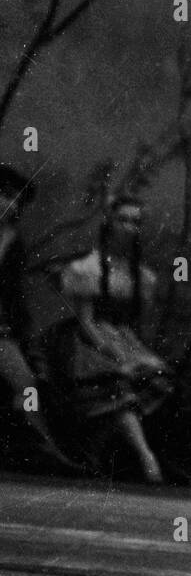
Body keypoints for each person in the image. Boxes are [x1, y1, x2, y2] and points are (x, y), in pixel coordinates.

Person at [56, 195, 172, 484]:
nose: (130, 227)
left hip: (125, 338)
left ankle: (93, 452)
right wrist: (112, 353)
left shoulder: (141, 276)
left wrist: (137, 354)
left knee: (158, 377)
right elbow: (86, 321)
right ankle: (146, 457)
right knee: (116, 383)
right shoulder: (89, 268)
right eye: (123, 220)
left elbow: (138, 326)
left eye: (136, 222)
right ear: (109, 221)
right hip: (89, 339)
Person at [0, 165, 81, 474]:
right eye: (5, 195)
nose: (11, 205)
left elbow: (14, 296)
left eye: (16, 199)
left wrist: (20, 333)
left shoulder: (12, 240)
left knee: (27, 385)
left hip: (2, 332)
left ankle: (44, 446)